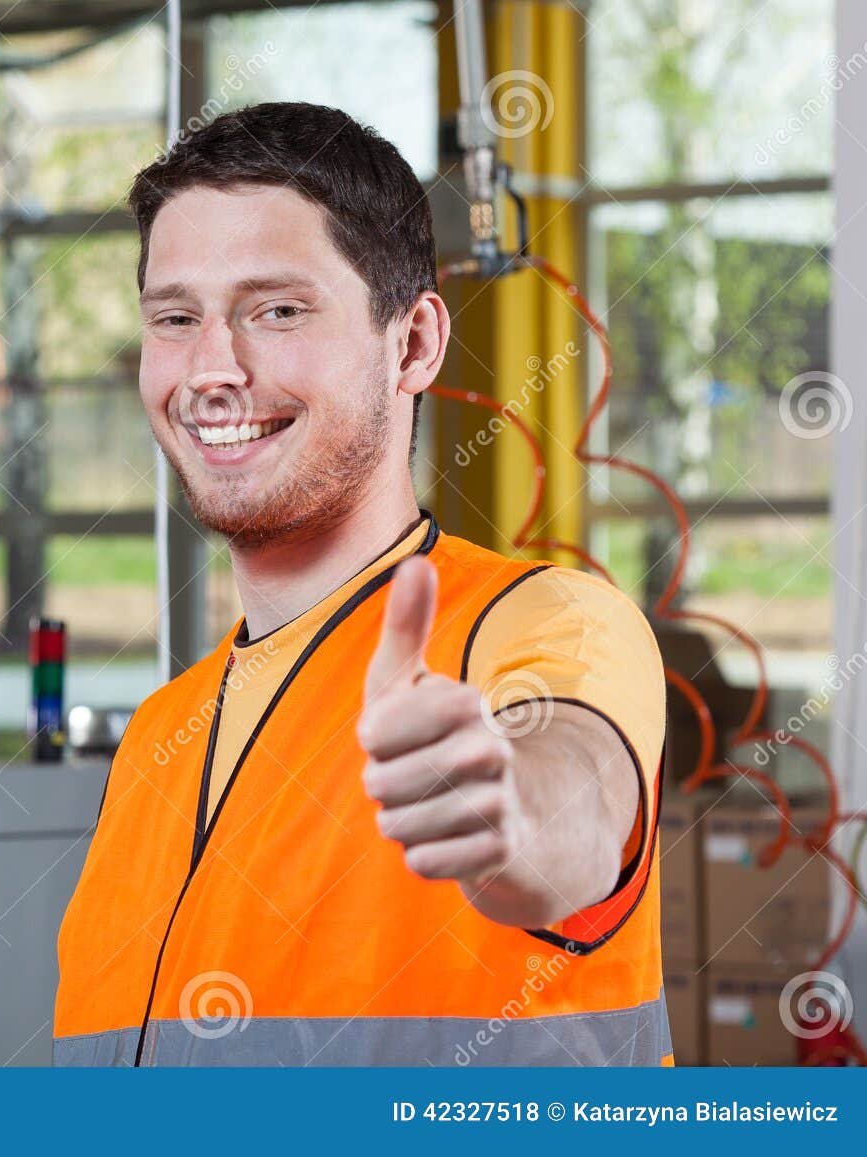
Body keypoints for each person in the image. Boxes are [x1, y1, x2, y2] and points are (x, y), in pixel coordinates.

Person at [54, 103, 668, 1066]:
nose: (212, 370)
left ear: (415, 344)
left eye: (278, 310)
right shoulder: (154, 749)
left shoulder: (539, 625)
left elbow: (572, 798)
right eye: (176, 318)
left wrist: (512, 810)